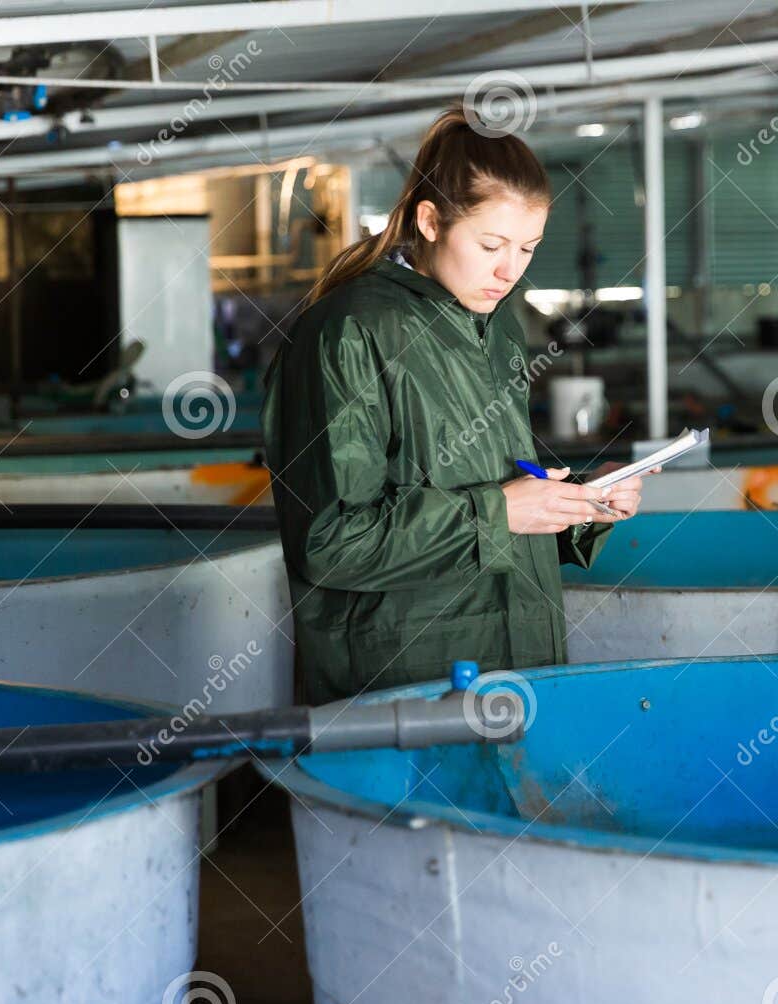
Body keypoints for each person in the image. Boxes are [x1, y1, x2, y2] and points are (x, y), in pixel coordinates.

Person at [260, 107, 648, 704]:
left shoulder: (496, 327)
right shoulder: (350, 332)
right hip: (405, 677)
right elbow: (332, 543)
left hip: (520, 658)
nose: (508, 270)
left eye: (527, 248)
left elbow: (493, 487)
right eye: (491, 244)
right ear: (431, 221)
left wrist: (576, 504)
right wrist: (500, 513)